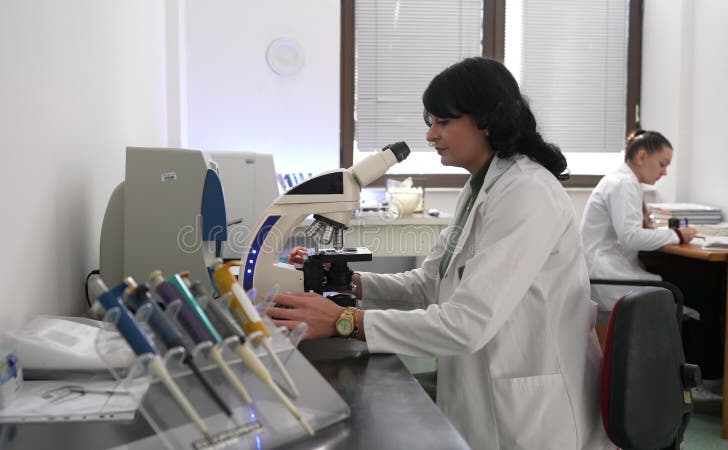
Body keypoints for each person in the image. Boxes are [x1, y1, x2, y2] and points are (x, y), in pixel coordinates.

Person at [269, 57, 611, 450]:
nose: (431, 135)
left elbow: (467, 323)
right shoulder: (481, 186)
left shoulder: (527, 192)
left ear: (486, 119)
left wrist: (346, 321)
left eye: (442, 122)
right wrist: (353, 282)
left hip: (532, 409)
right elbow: (431, 282)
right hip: (484, 393)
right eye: (429, 122)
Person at [580, 130, 722, 392]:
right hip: (608, 276)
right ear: (642, 155)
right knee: (701, 294)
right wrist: (677, 234)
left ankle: (703, 374)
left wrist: (651, 225)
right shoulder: (624, 184)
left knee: (697, 290)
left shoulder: (621, 180)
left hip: (608, 269)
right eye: (663, 163)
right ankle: (705, 378)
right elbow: (631, 237)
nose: (665, 172)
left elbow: (628, 231)